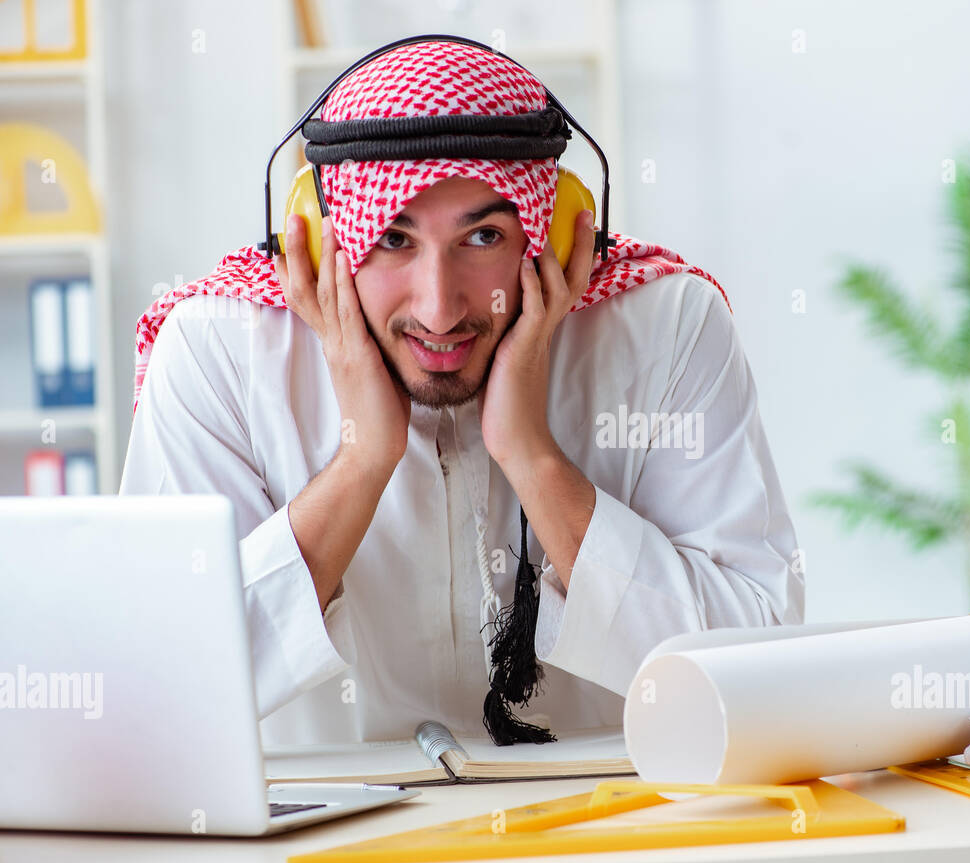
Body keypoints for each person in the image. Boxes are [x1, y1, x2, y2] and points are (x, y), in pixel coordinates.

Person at [119, 39, 804, 748]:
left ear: (551, 230)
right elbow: (159, 687)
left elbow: (756, 667)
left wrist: (534, 459)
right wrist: (362, 461)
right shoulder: (216, 353)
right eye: (392, 238)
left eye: (482, 236)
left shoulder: (669, 328)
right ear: (326, 241)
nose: (440, 308)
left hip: (601, 832)